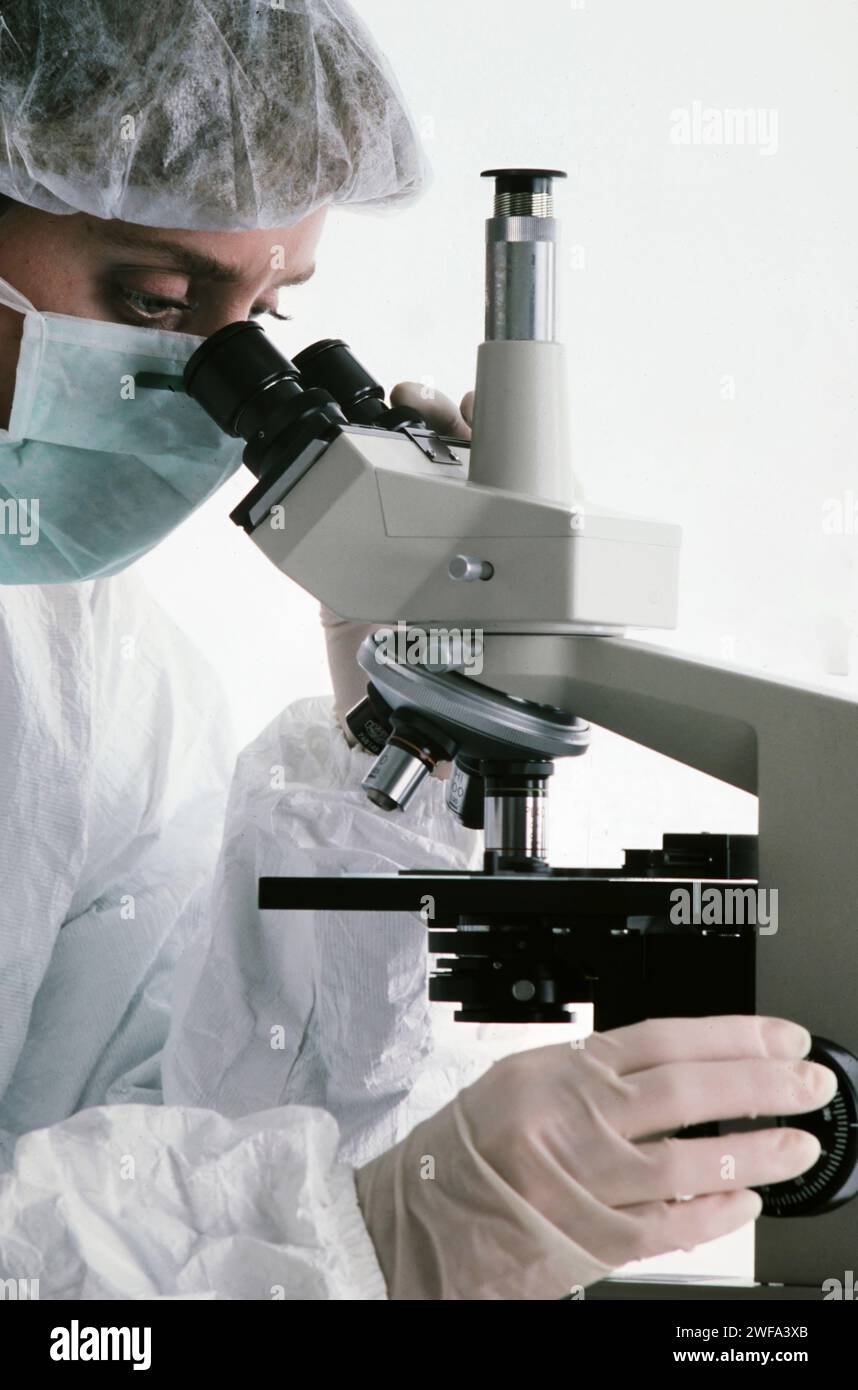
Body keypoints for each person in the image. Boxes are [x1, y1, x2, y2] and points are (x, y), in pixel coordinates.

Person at [0, 0, 835, 1300]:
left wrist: (380, 772)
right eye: (154, 299)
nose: (210, 376)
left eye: (264, 320)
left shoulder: (94, 681)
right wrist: (366, 1242)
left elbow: (159, 1146)